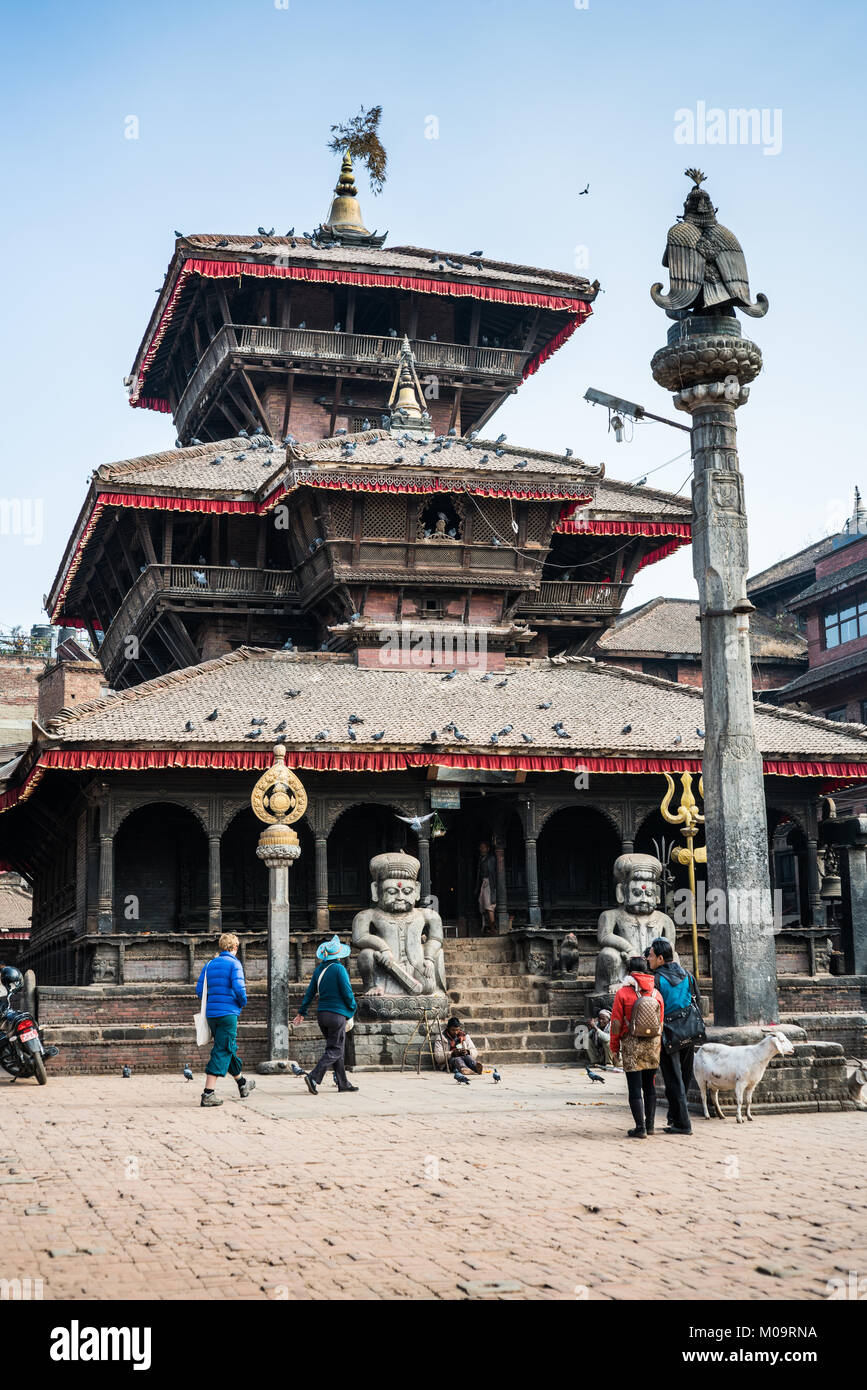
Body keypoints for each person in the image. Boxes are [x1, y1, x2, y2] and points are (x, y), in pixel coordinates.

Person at [647, 936, 701, 1136]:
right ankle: (675, 1117)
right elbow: (697, 1000)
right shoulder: (687, 975)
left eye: (651, 956)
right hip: (689, 1029)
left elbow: (653, 1008)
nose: (649, 959)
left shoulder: (656, 980)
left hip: (668, 1032)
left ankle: (684, 1123)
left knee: (673, 1079)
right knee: (684, 1077)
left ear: (661, 958)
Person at [195, 933, 256, 1108]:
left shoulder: (209, 964)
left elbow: (200, 991)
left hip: (212, 1014)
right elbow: (239, 988)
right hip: (228, 1013)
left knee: (228, 1047)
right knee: (222, 1049)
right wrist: (241, 1002)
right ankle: (208, 1093)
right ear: (235, 948)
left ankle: (242, 1083)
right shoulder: (234, 964)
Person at [292, 934, 358, 1095]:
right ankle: (314, 1077)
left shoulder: (319, 970)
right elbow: (347, 992)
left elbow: (309, 993)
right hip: (337, 1015)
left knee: (335, 1049)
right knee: (335, 1049)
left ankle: (343, 1083)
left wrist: (302, 1012)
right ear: (340, 955)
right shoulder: (339, 969)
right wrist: (353, 1008)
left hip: (322, 1015)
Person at [609, 955, 664, 1138]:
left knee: (634, 1087)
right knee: (650, 1085)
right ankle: (650, 1125)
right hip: (653, 1044)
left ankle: (639, 1127)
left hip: (632, 1043)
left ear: (629, 972)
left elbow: (616, 1023)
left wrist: (614, 1047)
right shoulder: (657, 994)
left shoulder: (623, 993)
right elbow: (661, 1023)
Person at [476, 840, 497, 935]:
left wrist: (493, 889)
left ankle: (493, 928)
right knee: (482, 905)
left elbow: (492, 874)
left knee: (489, 906)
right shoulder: (481, 859)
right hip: (484, 883)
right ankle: (486, 926)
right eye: (481, 847)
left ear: (488, 849)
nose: (482, 849)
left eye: (483, 847)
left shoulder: (491, 859)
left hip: (489, 883)